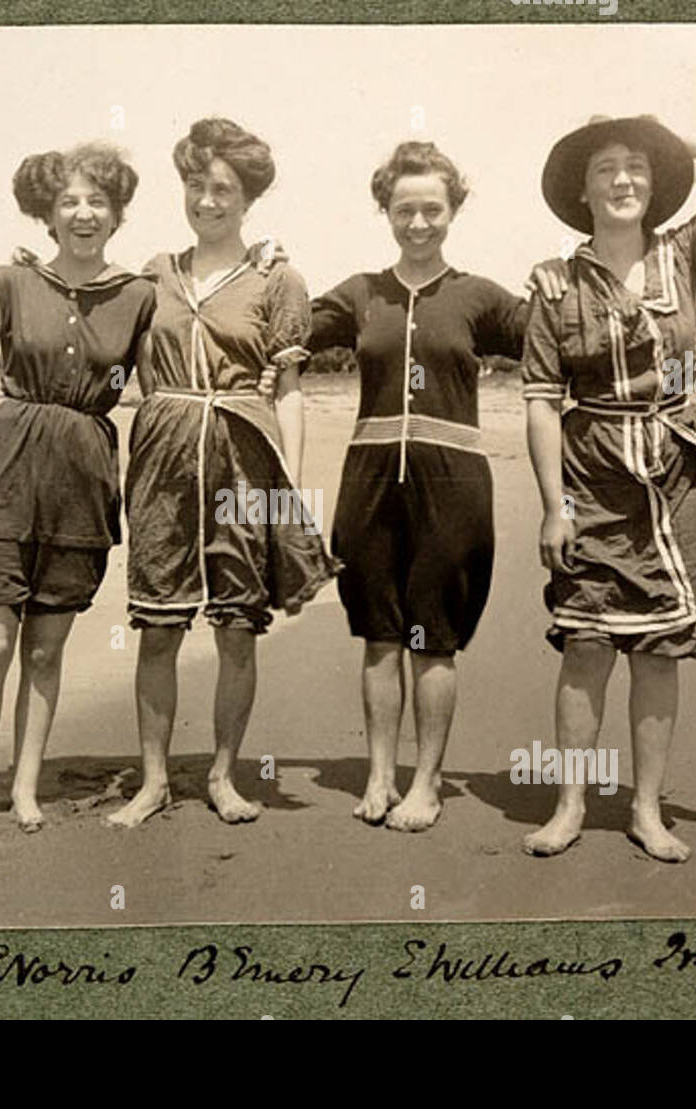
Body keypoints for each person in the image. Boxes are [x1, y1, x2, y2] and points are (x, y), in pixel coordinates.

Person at [521, 115, 696, 861]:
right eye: (606, 168)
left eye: (637, 166)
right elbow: (541, 396)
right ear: (583, 189)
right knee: (586, 641)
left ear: (655, 181)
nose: (623, 180)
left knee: (661, 648)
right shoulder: (554, 281)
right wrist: (552, 504)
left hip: (675, 472)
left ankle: (646, 811)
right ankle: (569, 804)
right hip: (590, 475)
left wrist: (683, 141)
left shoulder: (685, 252)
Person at [308, 140, 563, 832]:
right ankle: (380, 775)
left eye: (432, 209)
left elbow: (556, 335)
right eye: (404, 209)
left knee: (434, 635)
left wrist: (554, 277)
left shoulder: (478, 296)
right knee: (379, 635)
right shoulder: (361, 293)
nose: (418, 222)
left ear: (453, 210)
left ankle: (427, 783)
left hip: (453, 484)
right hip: (368, 480)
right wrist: (268, 269)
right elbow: (282, 328)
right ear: (384, 210)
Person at [107, 117, 336, 828]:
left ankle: (223, 774)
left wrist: (291, 487)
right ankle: (152, 782)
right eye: (196, 186)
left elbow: (290, 389)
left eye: (224, 189)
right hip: (164, 450)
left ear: (248, 197)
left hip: (246, 450)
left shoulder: (279, 278)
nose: (208, 201)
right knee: (159, 624)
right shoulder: (152, 275)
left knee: (237, 624)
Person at [0, 144, 156, 845]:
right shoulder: (6, 280)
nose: (83, 213)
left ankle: (27, 787)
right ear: (47, 211)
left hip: (83, 483)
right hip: (2, 471)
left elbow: (163, 393)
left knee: (43, 651)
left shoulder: (140, 295)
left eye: (97, 201)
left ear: (118, 214)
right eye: (68, 201)